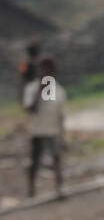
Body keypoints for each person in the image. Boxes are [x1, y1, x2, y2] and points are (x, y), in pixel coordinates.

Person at [23, 55, 65, 198]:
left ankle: (59, 190)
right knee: (34, 161)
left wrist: (62, 136)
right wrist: (40, 90)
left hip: (53, 131)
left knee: (57, 159)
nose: (46, 72)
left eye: (49, 69)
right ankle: (31, 192)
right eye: (43, 69)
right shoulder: (31, 88)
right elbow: (31, 109)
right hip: (37, 131)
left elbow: (60, 116)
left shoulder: (58, 91)